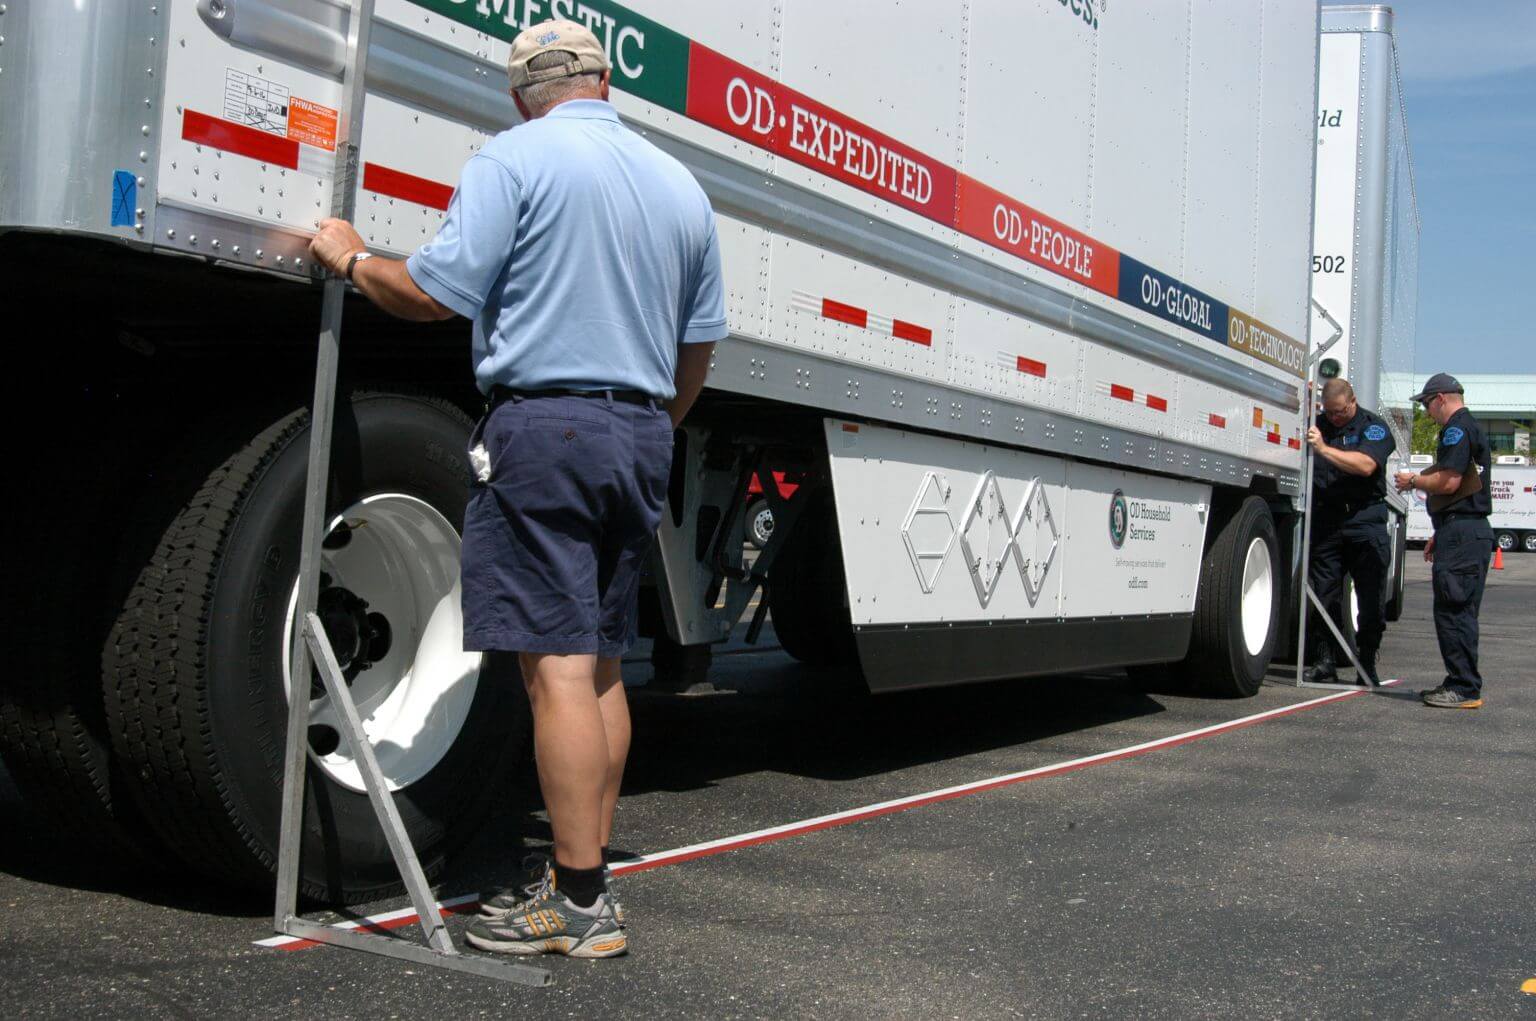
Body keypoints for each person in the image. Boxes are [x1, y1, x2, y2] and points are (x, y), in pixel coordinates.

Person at [308, 20, 727, 956]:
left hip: (547, 427)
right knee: (604, 662)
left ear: (519, 96)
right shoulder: (680, 185)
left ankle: (577, 904)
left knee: (557, 669)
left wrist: (352, 257)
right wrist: (654, 425)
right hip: (639, 431)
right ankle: (586, 878)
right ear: (605, 84)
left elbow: (434, 293)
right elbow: (700, 343)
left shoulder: (515, 159)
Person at [1393, 374, 1493, 709]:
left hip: (1463, 533)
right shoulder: (1469, 427)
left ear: (1440, 399)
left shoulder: (1456, 429)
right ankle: (1459, 681)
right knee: (1458, 609)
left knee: (1454, 611)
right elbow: (1465, 487)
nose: (1427, 412)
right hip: (1463, 529)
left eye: (1426, 404)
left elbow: (1449, 482)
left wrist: (1413, 480)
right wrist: (1443, 531)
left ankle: (1464, 687)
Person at [1303, 378, 1397, 685]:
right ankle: (1324, 661)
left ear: (1353, 401)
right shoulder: (1318, 425)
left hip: (1364, 519)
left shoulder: (1373, 427)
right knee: (1323, 594)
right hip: (1327, 520)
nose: (1334, 418)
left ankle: (1366, 661)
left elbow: (1366, 465)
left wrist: (1323, 449)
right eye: (1329, 412)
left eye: (1340, 412)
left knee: (1370, 598)